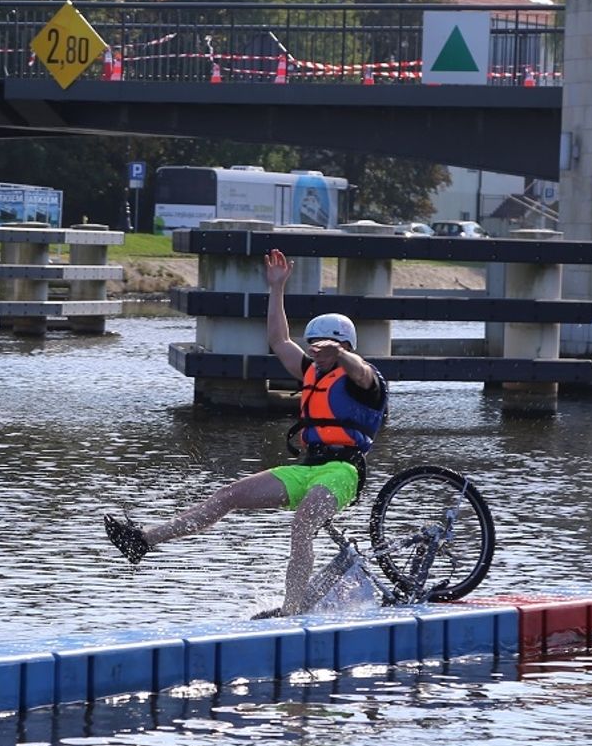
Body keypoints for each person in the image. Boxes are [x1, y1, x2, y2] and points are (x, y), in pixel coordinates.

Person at [104, 248, 388, 616]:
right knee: (228, 496)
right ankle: (143, 540)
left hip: (344, 470)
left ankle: (292, 610)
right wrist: (276, 288)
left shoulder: (364, 379)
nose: (315, 353)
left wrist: (341, 354)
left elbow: (361, 370)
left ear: (344, 346)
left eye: (324, 347)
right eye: (313, 347)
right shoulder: (311, 371)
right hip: (306, 467)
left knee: (302, 524)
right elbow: (278, 340)